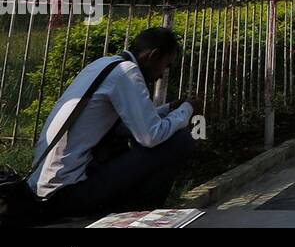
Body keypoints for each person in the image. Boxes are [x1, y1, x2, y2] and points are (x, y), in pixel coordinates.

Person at [30, 27, 196, 219]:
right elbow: (151, 136)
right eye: (165, 65)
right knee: (179, 140)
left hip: (46, 191)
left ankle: (127, 208)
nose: (161, 75)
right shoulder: (127, 72)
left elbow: (131, 125)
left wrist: (169, 108)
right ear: (153, 55)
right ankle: (141, 215)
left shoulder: (105, 64)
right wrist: (188, 109)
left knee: (131, 138)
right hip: (68, 194)